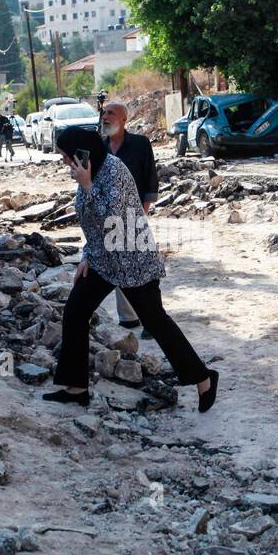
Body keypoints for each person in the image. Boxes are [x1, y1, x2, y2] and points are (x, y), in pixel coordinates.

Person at [42, 128, 219, 413]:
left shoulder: (113, 171)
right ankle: (76, 389)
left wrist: (87, 185)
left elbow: (113, 218)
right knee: (75, 311)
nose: (65, 163)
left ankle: (203, 378)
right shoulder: (89, 168)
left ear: (80, 153)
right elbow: (89, 219)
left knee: (156, 321)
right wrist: (87, 255)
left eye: (66, 157)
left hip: (133, 259)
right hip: (103, 260)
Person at [99, 101, 159, 338]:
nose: (105, 117)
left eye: (110, 113)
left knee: (145, 270)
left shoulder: (140, 144)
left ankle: (152, 322)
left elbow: (150, 179)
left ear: (124, 119)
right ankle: (128, 318)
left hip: (135, 216)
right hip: (107, 219)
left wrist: (142, 213)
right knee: (119, 267)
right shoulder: (98, 147)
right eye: (104, 113)